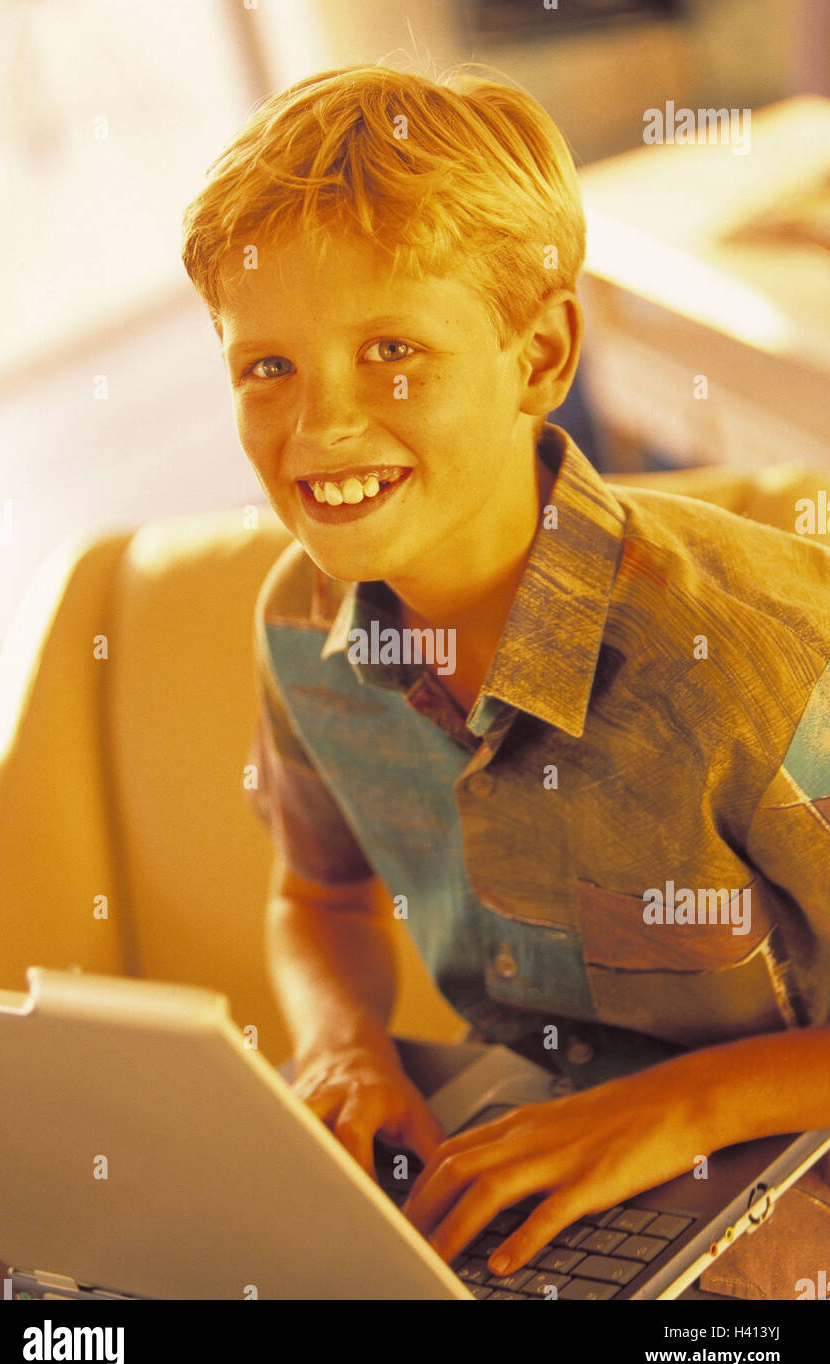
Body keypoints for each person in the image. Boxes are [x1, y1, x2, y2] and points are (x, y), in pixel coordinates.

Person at [181, 63, 830, 1297]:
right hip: (518, 1156)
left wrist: (678, 1105)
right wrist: (344, 1046)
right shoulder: (301, 624)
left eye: (389, 351)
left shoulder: (756, 656)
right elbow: (316, 900)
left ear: (538, 356)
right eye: (266, 368)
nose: (318, 429)